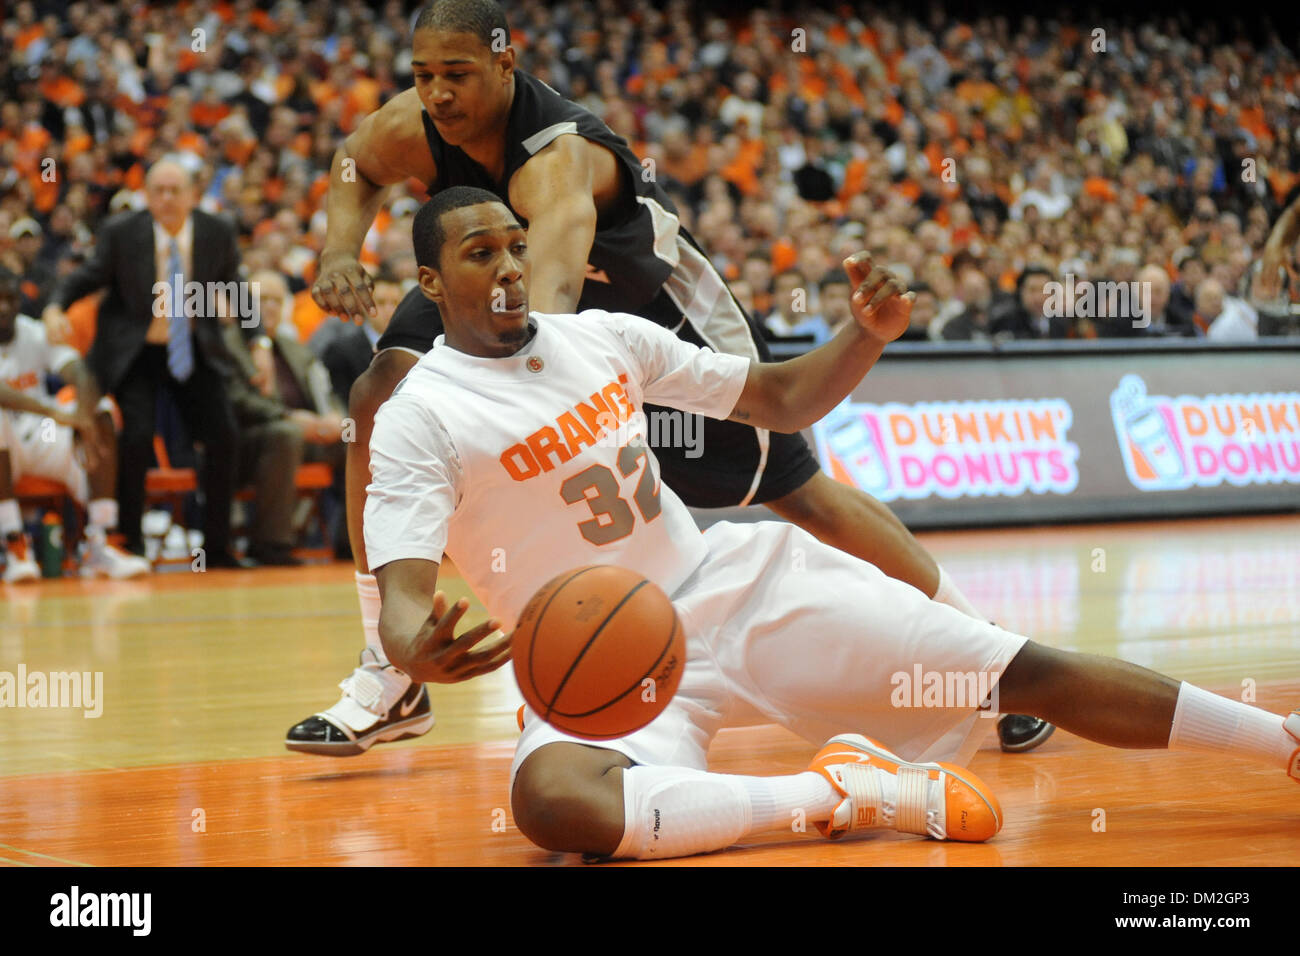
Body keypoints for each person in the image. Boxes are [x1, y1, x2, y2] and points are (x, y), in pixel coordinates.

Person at [368, 190, 1300, 861]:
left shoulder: (603, 336)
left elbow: (777, 398)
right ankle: (841, 792)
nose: (506, 269)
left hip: (731, 587)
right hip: (600, 669)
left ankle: (1286, 742)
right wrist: (420, 654)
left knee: (1020, 668)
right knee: (553, 804)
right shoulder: (423, 413)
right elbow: (403, 597)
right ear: (429, 279)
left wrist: (863, 335)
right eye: (477, 254)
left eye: (513, 247)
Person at [289, 0, 1051, 756]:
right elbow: (356, 166)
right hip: (496, 285)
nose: (438, 93)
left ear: (504, 63)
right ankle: (390, 672)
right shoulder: (413, 122)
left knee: (795, 488)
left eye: (456, 74)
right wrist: (337, 252)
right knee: (377, 394)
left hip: (642, 308)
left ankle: (980, 650)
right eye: (423, 75)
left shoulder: (557, 161)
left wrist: (510, 402)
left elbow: (544, 307)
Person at [41, 158, 251, 568]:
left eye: (176, 190)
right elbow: (88, 276)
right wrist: (54, 307)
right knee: (136, 434)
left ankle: (218, 547)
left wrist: (255, 338)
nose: (167, 198)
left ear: (193, 194)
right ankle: (131, 541)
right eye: (159, 190)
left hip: (193, 345)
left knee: (223, 435)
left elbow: (236, 286)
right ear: (147, 195)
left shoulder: (216, 231)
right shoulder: (123, 232)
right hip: (135, 352)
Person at [0, 266, 150, 581]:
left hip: (39, 433)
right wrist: (54, 412)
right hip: (9, 438)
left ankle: (100, 541)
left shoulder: (34, 331)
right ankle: (13, 543)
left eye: (9, 298)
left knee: (101, 407)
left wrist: (83, 410)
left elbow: (77, 370)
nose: (3, 306)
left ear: (19, 301)